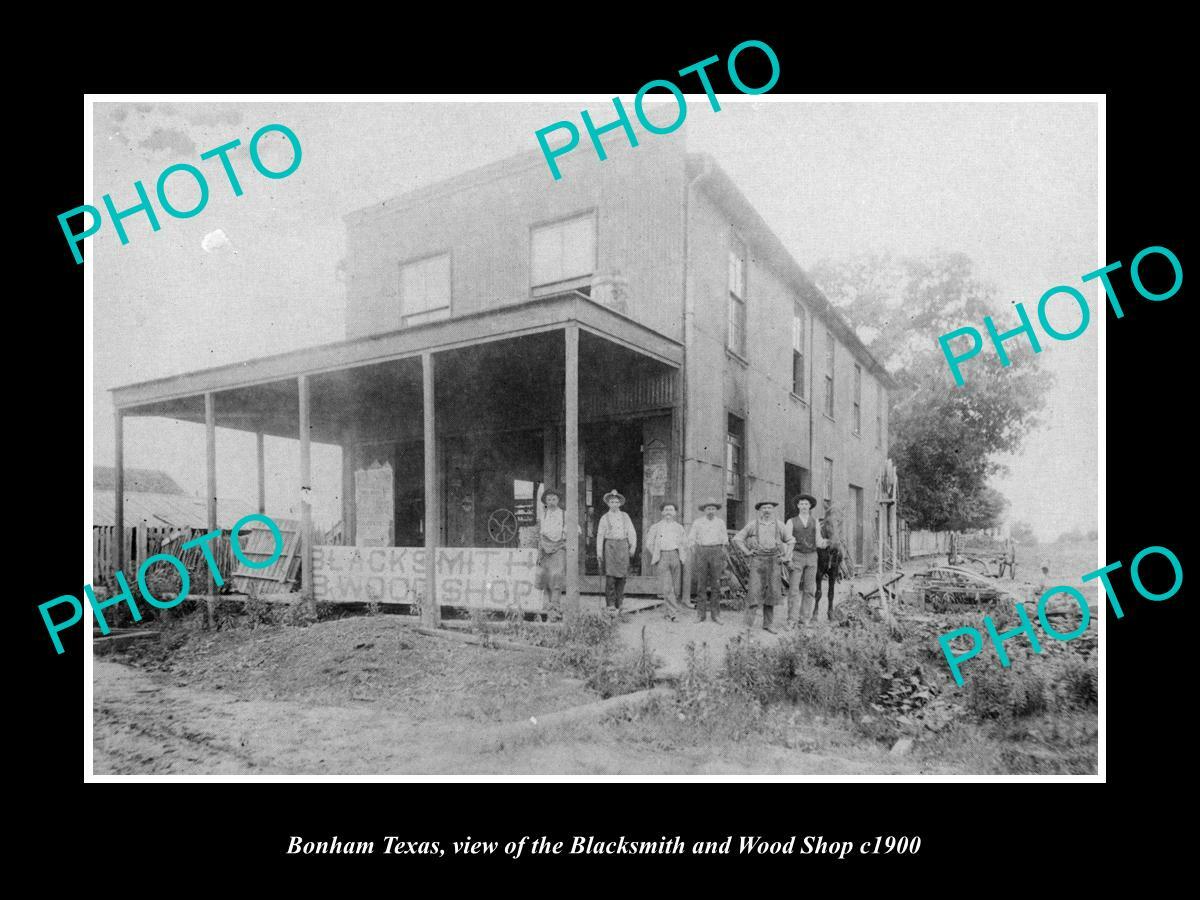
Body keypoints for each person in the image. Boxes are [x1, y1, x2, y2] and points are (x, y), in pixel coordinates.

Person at [732, 500, 794, 633]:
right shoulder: (753, 525)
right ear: (760, 510)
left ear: (773, 510)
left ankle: (768, 624)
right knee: (754, 592)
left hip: (774, 561)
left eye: (769, 508)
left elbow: (791, 541)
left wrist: (786, 557)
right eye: (764, 508)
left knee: (772, 593)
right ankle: (747, 625)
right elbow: (737, 538)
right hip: (758, 560)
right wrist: (747, 552)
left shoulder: (779, 525)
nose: (767, 510)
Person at [784, 493, 828, 627]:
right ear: (798, 506)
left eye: (806, 504)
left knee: (809, 590)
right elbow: (787, 541)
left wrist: (827, 542)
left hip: (812, 557)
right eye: (801, 504)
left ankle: (805, 619)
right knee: (794, 590)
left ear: (810, 507)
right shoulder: (791, 521)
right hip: (797, 556)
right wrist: (788, 558)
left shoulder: (815, 522)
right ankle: (791, 620)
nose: (804, 506)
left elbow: (818, 541)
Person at [596, 490, 638, 616]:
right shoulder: (605, 517)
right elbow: (600, 535)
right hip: (610, 546)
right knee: (610, 577)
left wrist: (633, 547)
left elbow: (632, 532)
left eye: (616, 502)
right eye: (612, 502)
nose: (614, 504)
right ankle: (610, 604)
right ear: (608, 504)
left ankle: (620, 603)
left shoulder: (625, 516)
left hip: (623, 546)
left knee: (622, 576)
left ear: (620, 504)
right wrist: (599, 552)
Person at [688, 498, 728, 623]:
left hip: (716, 552)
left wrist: (722, 550)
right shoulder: (698, 522)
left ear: (716, 510)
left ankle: (716, 615)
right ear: (704, 510)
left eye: (713, 508)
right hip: (702, 552)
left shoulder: (720, 522)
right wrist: (695, 549)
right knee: (701, 584)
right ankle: (701, 615)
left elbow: (725, 539)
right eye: (708, 508)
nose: (710, 511)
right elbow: (691, 538)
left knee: (716, 584)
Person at [646, 502, 688, 621]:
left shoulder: (679, 527)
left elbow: (685, 543)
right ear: (662, 512)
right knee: (667, 586)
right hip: (662, 556)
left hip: (675, 555)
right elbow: (649, 543)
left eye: (671, 510)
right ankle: (673, 614)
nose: (668, 512)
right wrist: (656, 554)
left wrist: (681, 555)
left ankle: (668, 612)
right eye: (666, 510)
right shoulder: (656, 527)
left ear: (675, 513)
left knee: (675, 587)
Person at [536, 487, 567, 621]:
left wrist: (566, 541)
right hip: (544, 547)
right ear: (545, 501)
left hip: (559, 546)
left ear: (558, 500)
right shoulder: (543, 515)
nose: (551, 502)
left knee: (557, 575)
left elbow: (573, 530)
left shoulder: (564, 514)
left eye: (554, 499)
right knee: (545, 575)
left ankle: (555, 605)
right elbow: (540, 532)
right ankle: (547, 606)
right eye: (548, 499)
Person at [814, 500, 843, 621]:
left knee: (840, 552)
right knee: (818, 584)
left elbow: (837, 529)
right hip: (823, 546)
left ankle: (830, 610)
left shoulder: (838, 522)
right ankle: (815, 610)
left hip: (834, 541)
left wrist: (836, 539)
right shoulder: (821, 524)